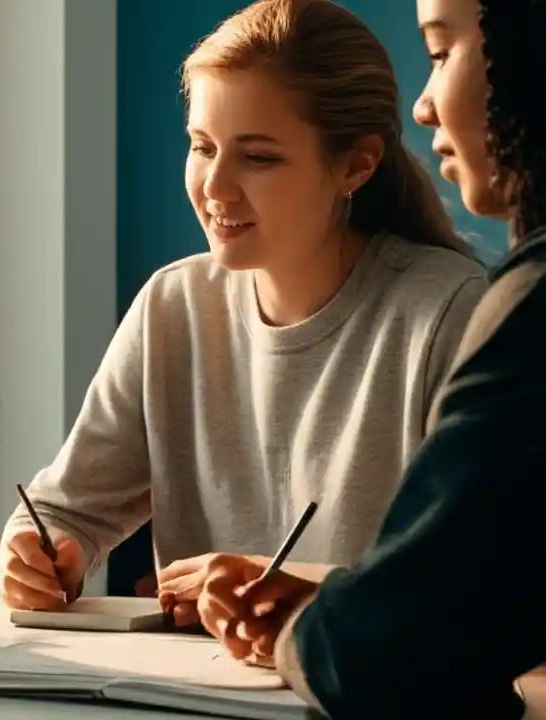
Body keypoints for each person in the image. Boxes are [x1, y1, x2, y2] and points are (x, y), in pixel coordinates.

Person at [0, 0, 488, 627]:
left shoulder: (451, 312)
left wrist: (290, 588)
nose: (215, 187)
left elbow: (482, 583)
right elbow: (64, 512)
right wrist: (31, 556)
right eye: (202, 147)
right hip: (195, 689)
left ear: (357, 164)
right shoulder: (172, 306)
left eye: (258, 157)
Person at [190, 0, 546, 716]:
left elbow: (392, 647)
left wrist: (314, 627)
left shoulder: (503, 307)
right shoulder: (175, 299)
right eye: (201, 145)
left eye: (443, 52)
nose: (422, 106)